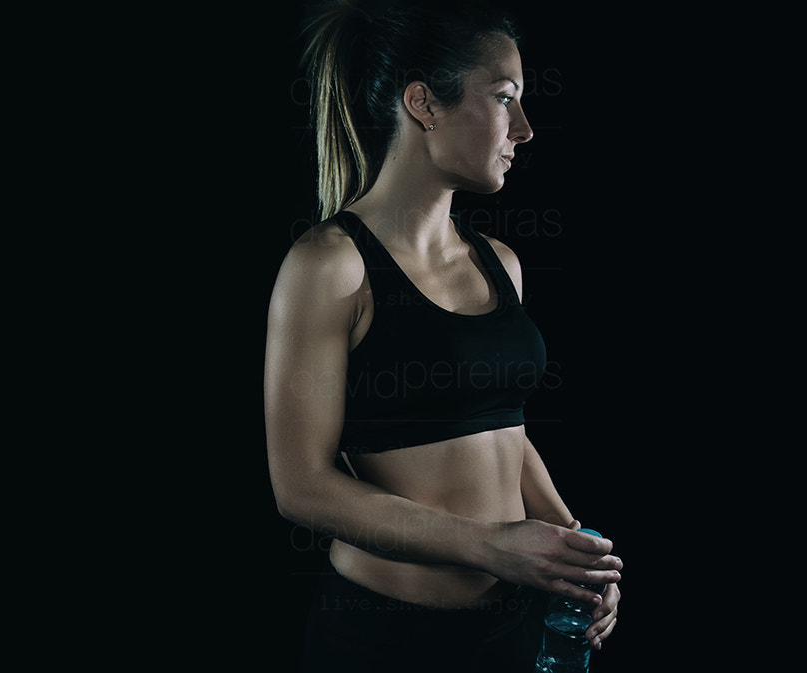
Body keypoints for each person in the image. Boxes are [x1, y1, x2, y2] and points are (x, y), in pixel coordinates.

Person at [264, 1, 622, 670]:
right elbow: (301, 485)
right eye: (504, 98)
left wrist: (576, 550)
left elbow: (500, 433)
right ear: (424, 103)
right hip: (384, 641)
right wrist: (491, 544)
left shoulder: (501, 263)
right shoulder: (328, 264)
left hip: (510, 632)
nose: (525, 129)